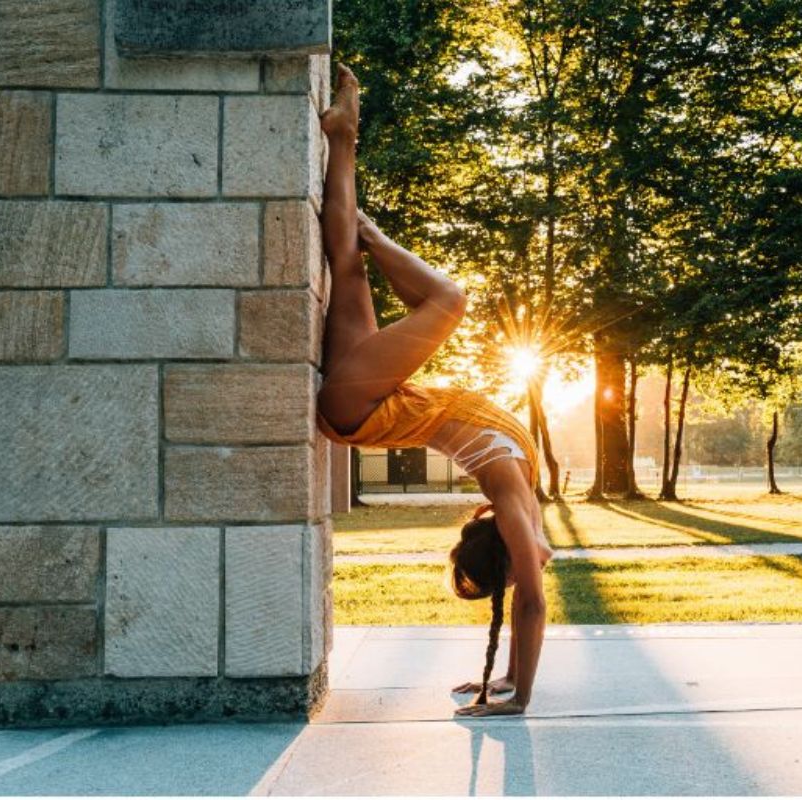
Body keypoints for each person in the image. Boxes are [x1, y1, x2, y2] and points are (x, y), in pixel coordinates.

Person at [315, 65, 551, 718]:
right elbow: (523, 592)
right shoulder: (524, 510)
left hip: (365, 408)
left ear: (501, 533)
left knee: (450, 301)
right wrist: (500, 680)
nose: (537, 557)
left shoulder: (509, 490)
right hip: (369, 403)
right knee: (347, 268)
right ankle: (343, 139)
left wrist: (516, 700)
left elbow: (530, 602)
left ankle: (372, 225)